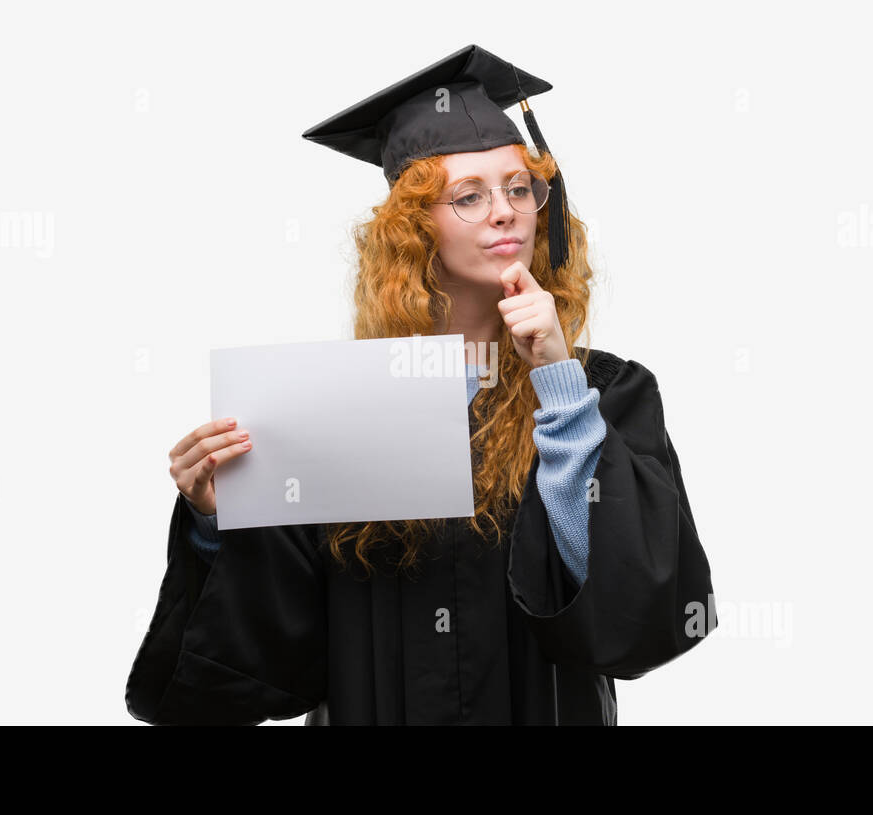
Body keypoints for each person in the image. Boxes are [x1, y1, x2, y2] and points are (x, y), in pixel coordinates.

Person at [125, 44, 718, 726]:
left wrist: (554, 376)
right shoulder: (341, 404)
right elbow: (278, 649)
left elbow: (634, 612)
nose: (505, 211)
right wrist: (216, 516)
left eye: (519, 187)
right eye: (469, 195)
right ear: (413, 229)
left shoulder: (604, 391)